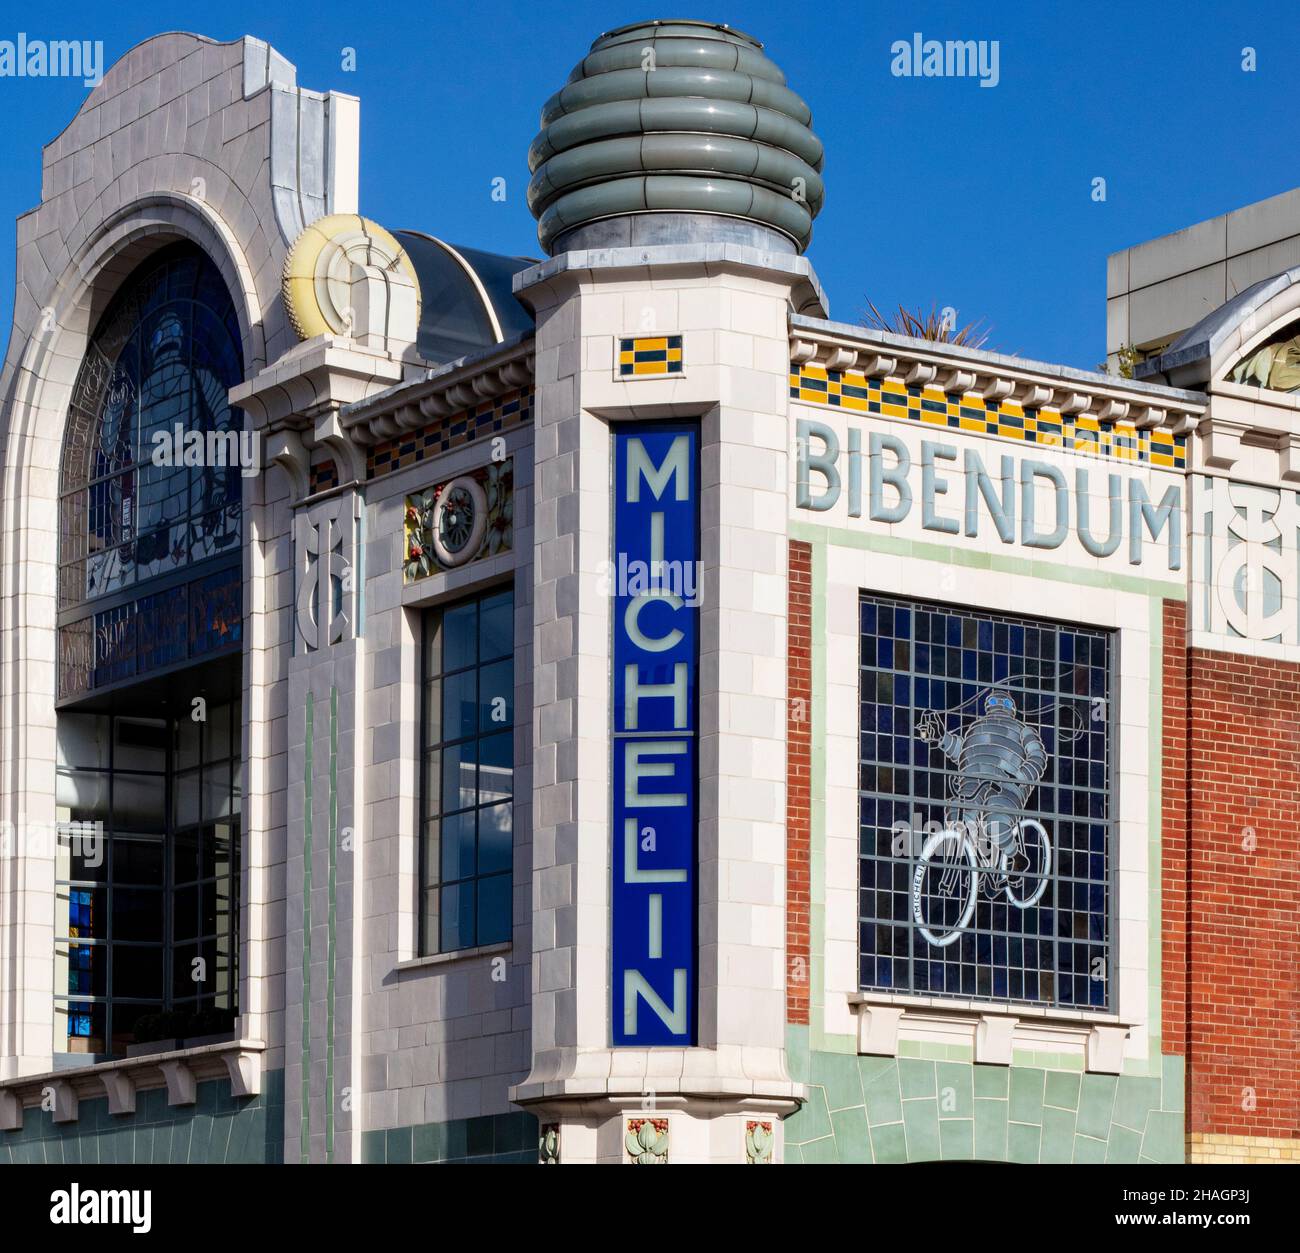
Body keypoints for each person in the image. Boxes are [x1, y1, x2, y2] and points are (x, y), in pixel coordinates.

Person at [916, 692, 1048, 888]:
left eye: (1004, 702)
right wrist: (942, 738)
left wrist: (1020, 777)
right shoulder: (976, 728)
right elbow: (963, 752)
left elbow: (1037, 756)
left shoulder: (1023, 730)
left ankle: (1016, 856)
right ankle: (982, 865)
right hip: (972, 781)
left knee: (997, 821)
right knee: (958, 815)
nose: (999, 705)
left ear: (1012, 708)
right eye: (993, 701)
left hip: (1006, 785)